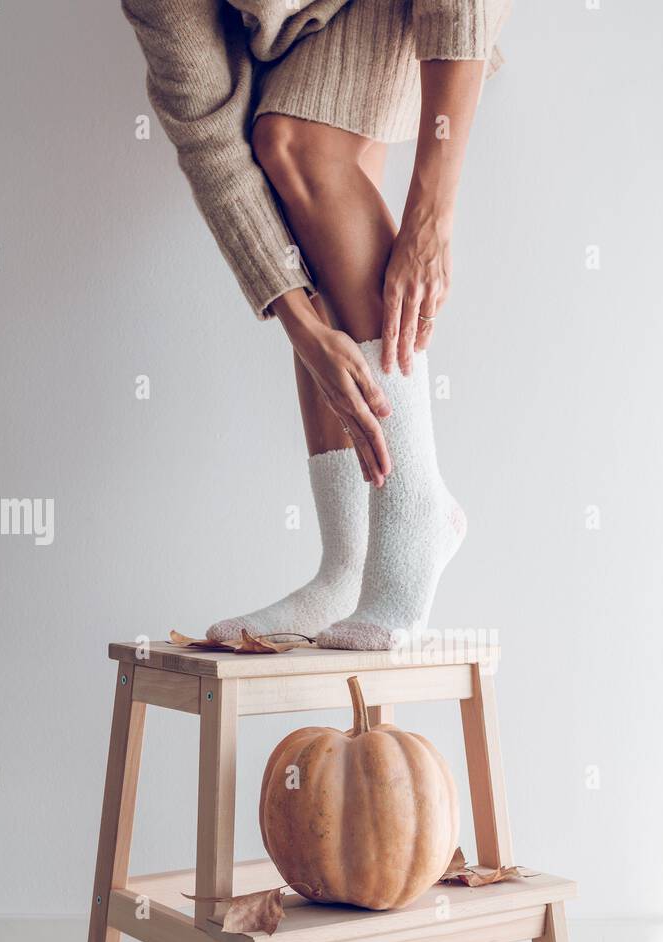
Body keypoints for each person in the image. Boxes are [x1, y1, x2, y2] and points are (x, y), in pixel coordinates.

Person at [122, 0, 510, 650]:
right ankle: (348, 561)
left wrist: (432, 214)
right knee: (284, 169)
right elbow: (209, 142)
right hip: (302, 27)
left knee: (295, 141)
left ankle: (415, 511)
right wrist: (301, 323)